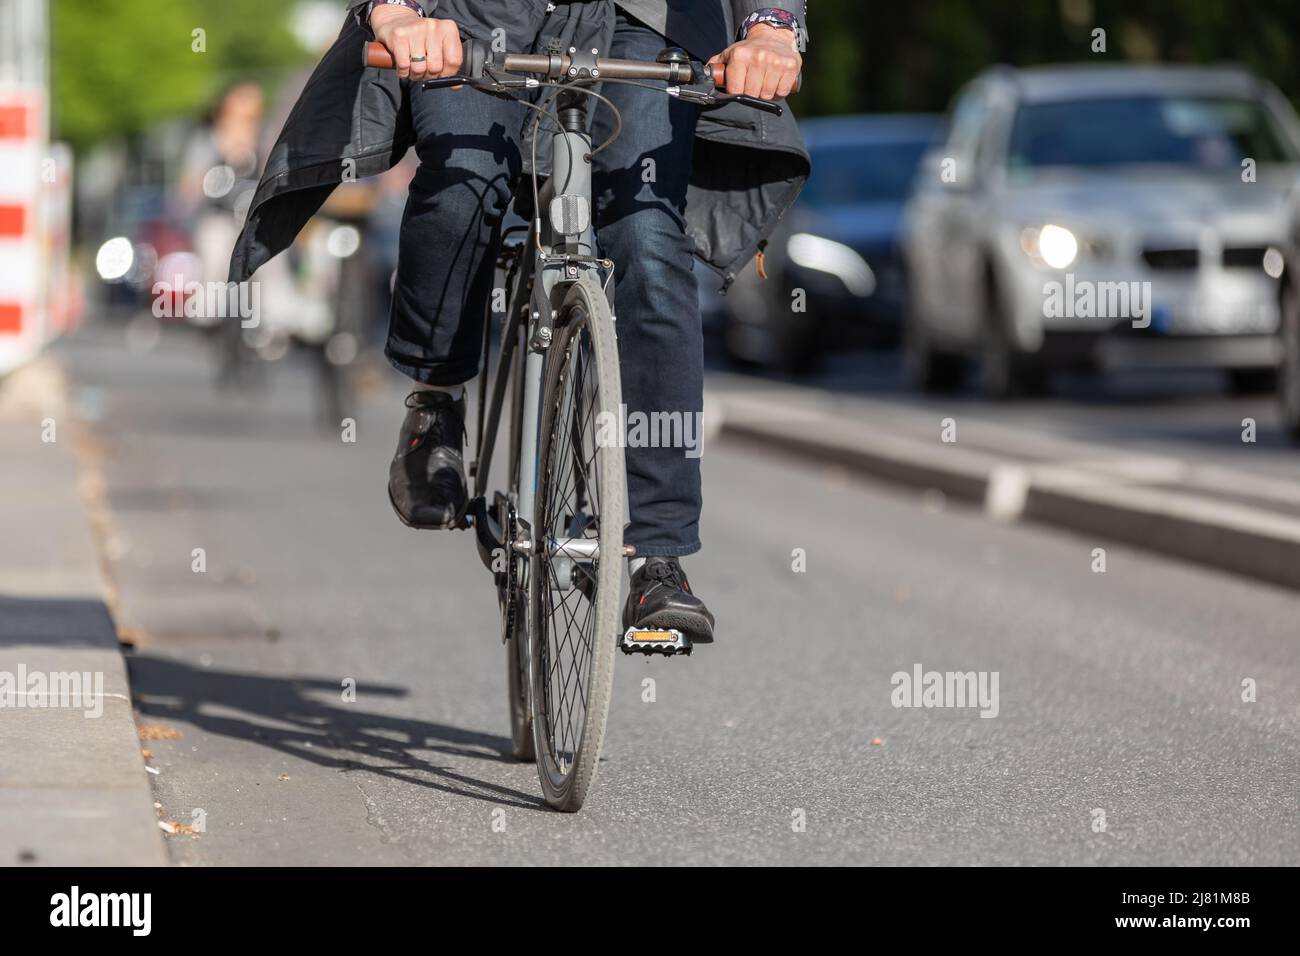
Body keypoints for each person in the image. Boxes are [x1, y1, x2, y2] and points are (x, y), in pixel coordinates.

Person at [230, 0, 809, 648]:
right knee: (461, 188)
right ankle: (436, 405)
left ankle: (657, 556)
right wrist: (397, 13)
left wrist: (772, 27)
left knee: (647, 241)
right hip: (478, 14)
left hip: (644, 23)